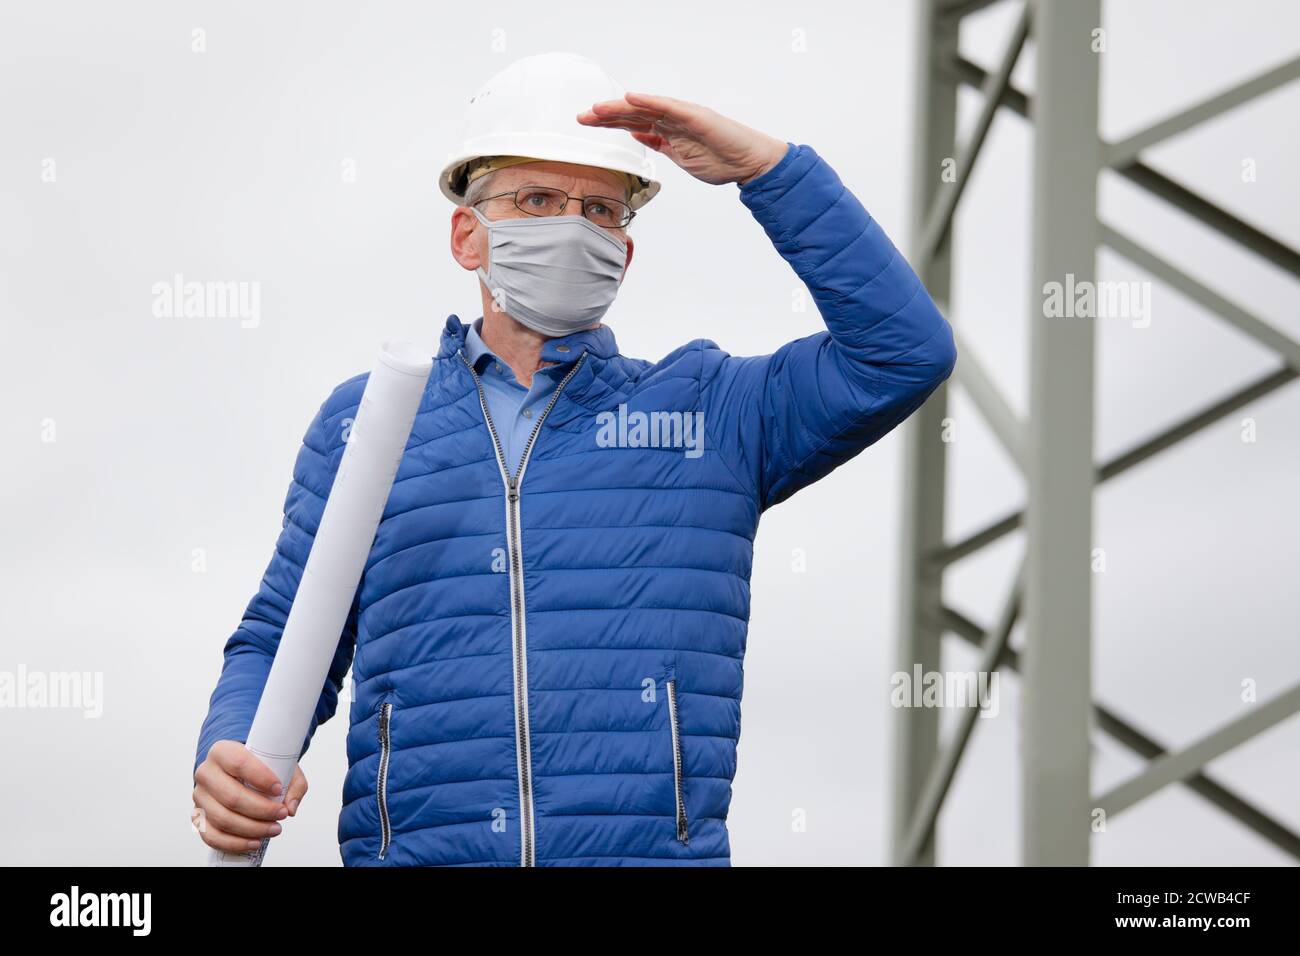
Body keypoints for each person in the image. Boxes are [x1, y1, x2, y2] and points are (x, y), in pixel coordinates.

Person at [192, 51, 956, 866]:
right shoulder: (370, 421)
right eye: (537, 199)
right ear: (467, 234)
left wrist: (768, 172)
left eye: (601, 209)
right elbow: (282, 634)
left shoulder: (710, 412)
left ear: (624, 255)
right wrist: (233, 749)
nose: (572, 225)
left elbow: (903, 353)